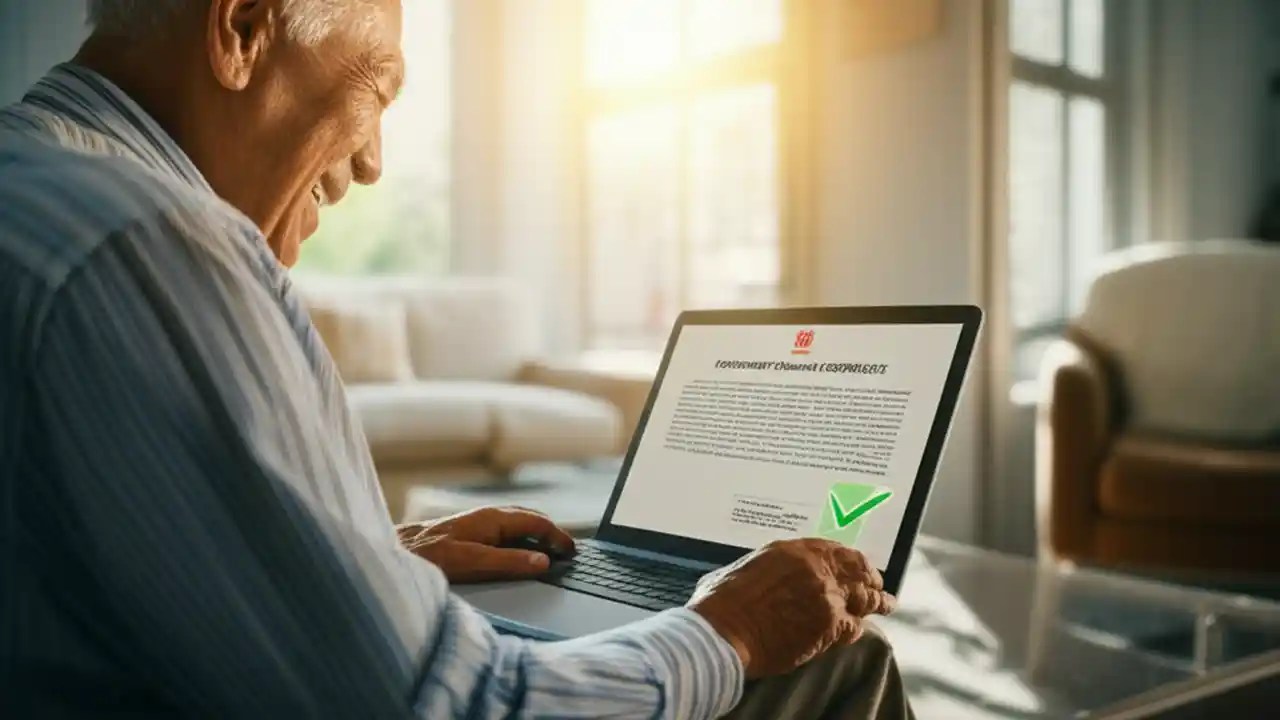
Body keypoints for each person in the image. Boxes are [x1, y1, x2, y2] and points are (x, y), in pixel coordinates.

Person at [0, 1, 916, 717]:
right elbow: (449, 706)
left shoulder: (36, 181)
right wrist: (734, 628)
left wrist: (368, 561)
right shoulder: (155, 243)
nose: (372, 162)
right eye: (379, 89)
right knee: (841, 661)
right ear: (241, 28)